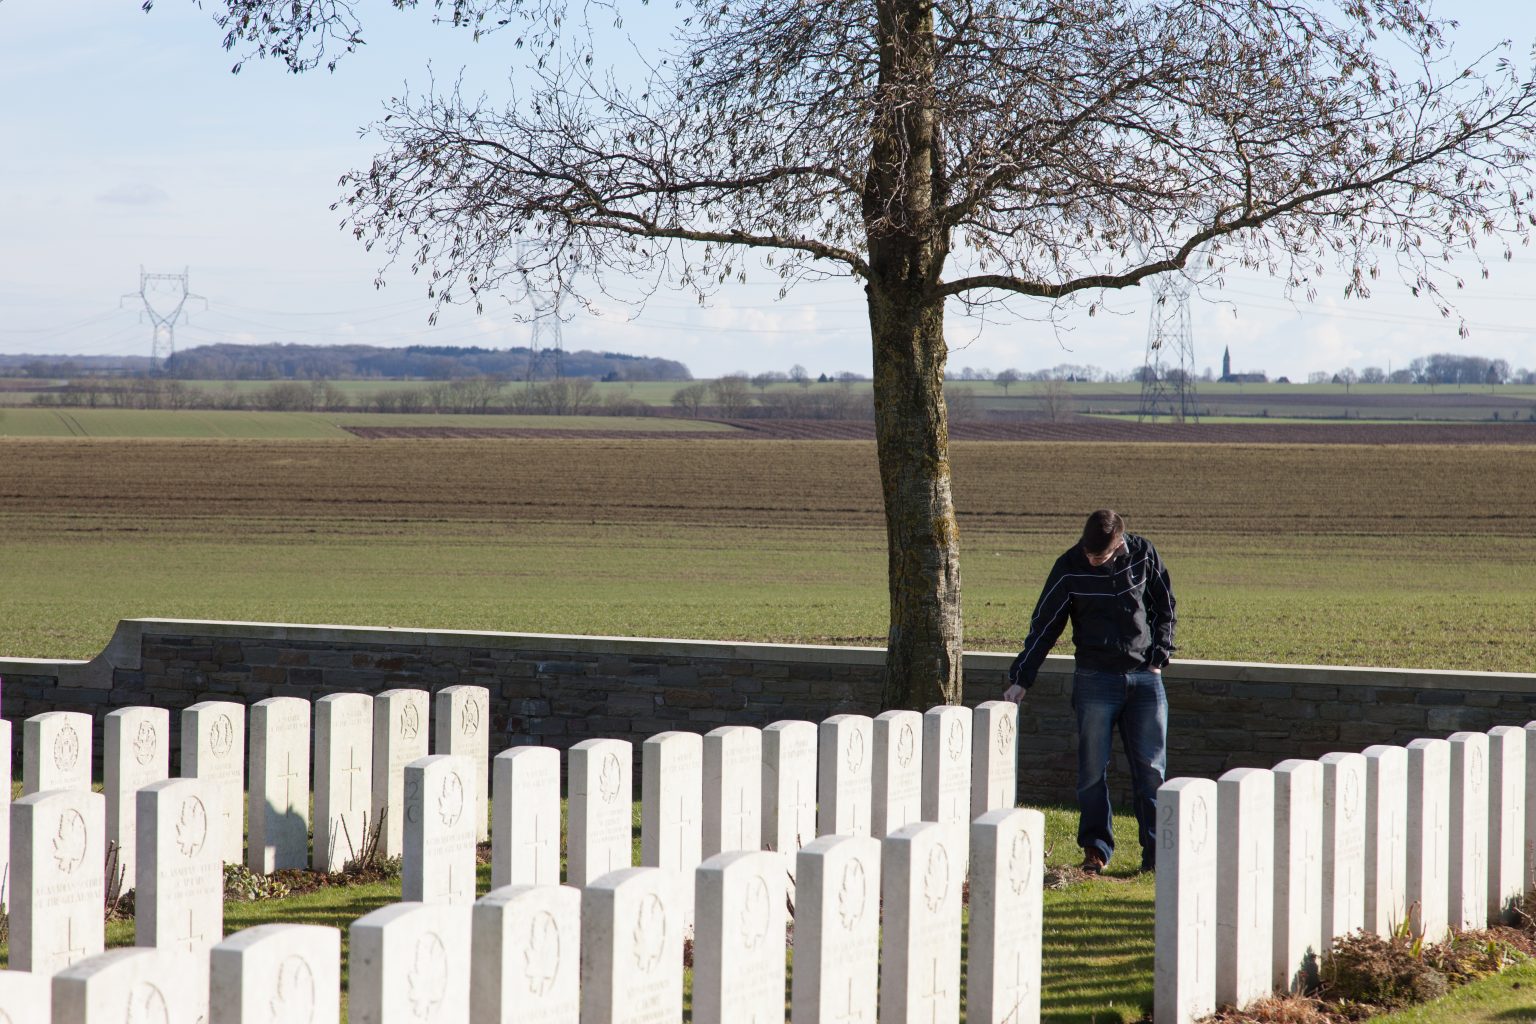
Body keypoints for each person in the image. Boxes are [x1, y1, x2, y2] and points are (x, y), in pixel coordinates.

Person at [1003, 509, 1176, 874]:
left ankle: (1158, 855)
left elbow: (1164, 608)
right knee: (1092, 772)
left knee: (1150, 771)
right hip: (1095, 679)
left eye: (1100, 556)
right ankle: (1096, 851)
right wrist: (1022, 678)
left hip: (1144, 678)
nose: (1092, 561)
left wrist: (1159, 658)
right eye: (1089, 554)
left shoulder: (1144, 554)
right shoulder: (1069, 566)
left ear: (1119, 545)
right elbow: (1046, 624)